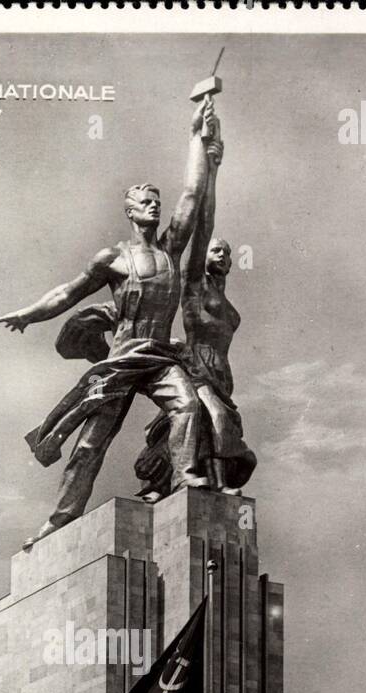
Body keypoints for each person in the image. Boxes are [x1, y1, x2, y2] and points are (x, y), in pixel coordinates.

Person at [0, 99, 219, 550]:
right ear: (130, 212)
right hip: (121, 359)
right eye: (146, 203)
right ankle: (60, 520)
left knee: (188, 408)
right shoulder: (114, 258)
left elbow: (193, 196)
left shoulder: (171, 249)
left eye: (157, 202)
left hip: (158, 356)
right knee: (88, 447)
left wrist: (196, 135)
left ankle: (188, 481)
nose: (155, 208)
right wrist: (27, 314)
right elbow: (68, 292)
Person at [135, 115, 256, 501]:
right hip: (197, 366)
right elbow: (203, 222)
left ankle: (210, 484)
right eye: (215, 250)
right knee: (213, 421)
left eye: (227, 253)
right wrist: (213, 167)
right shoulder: (193, 287)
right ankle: (188, 483)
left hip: (223, 376)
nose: (220, 255)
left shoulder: (231, 309)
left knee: (214, 424)